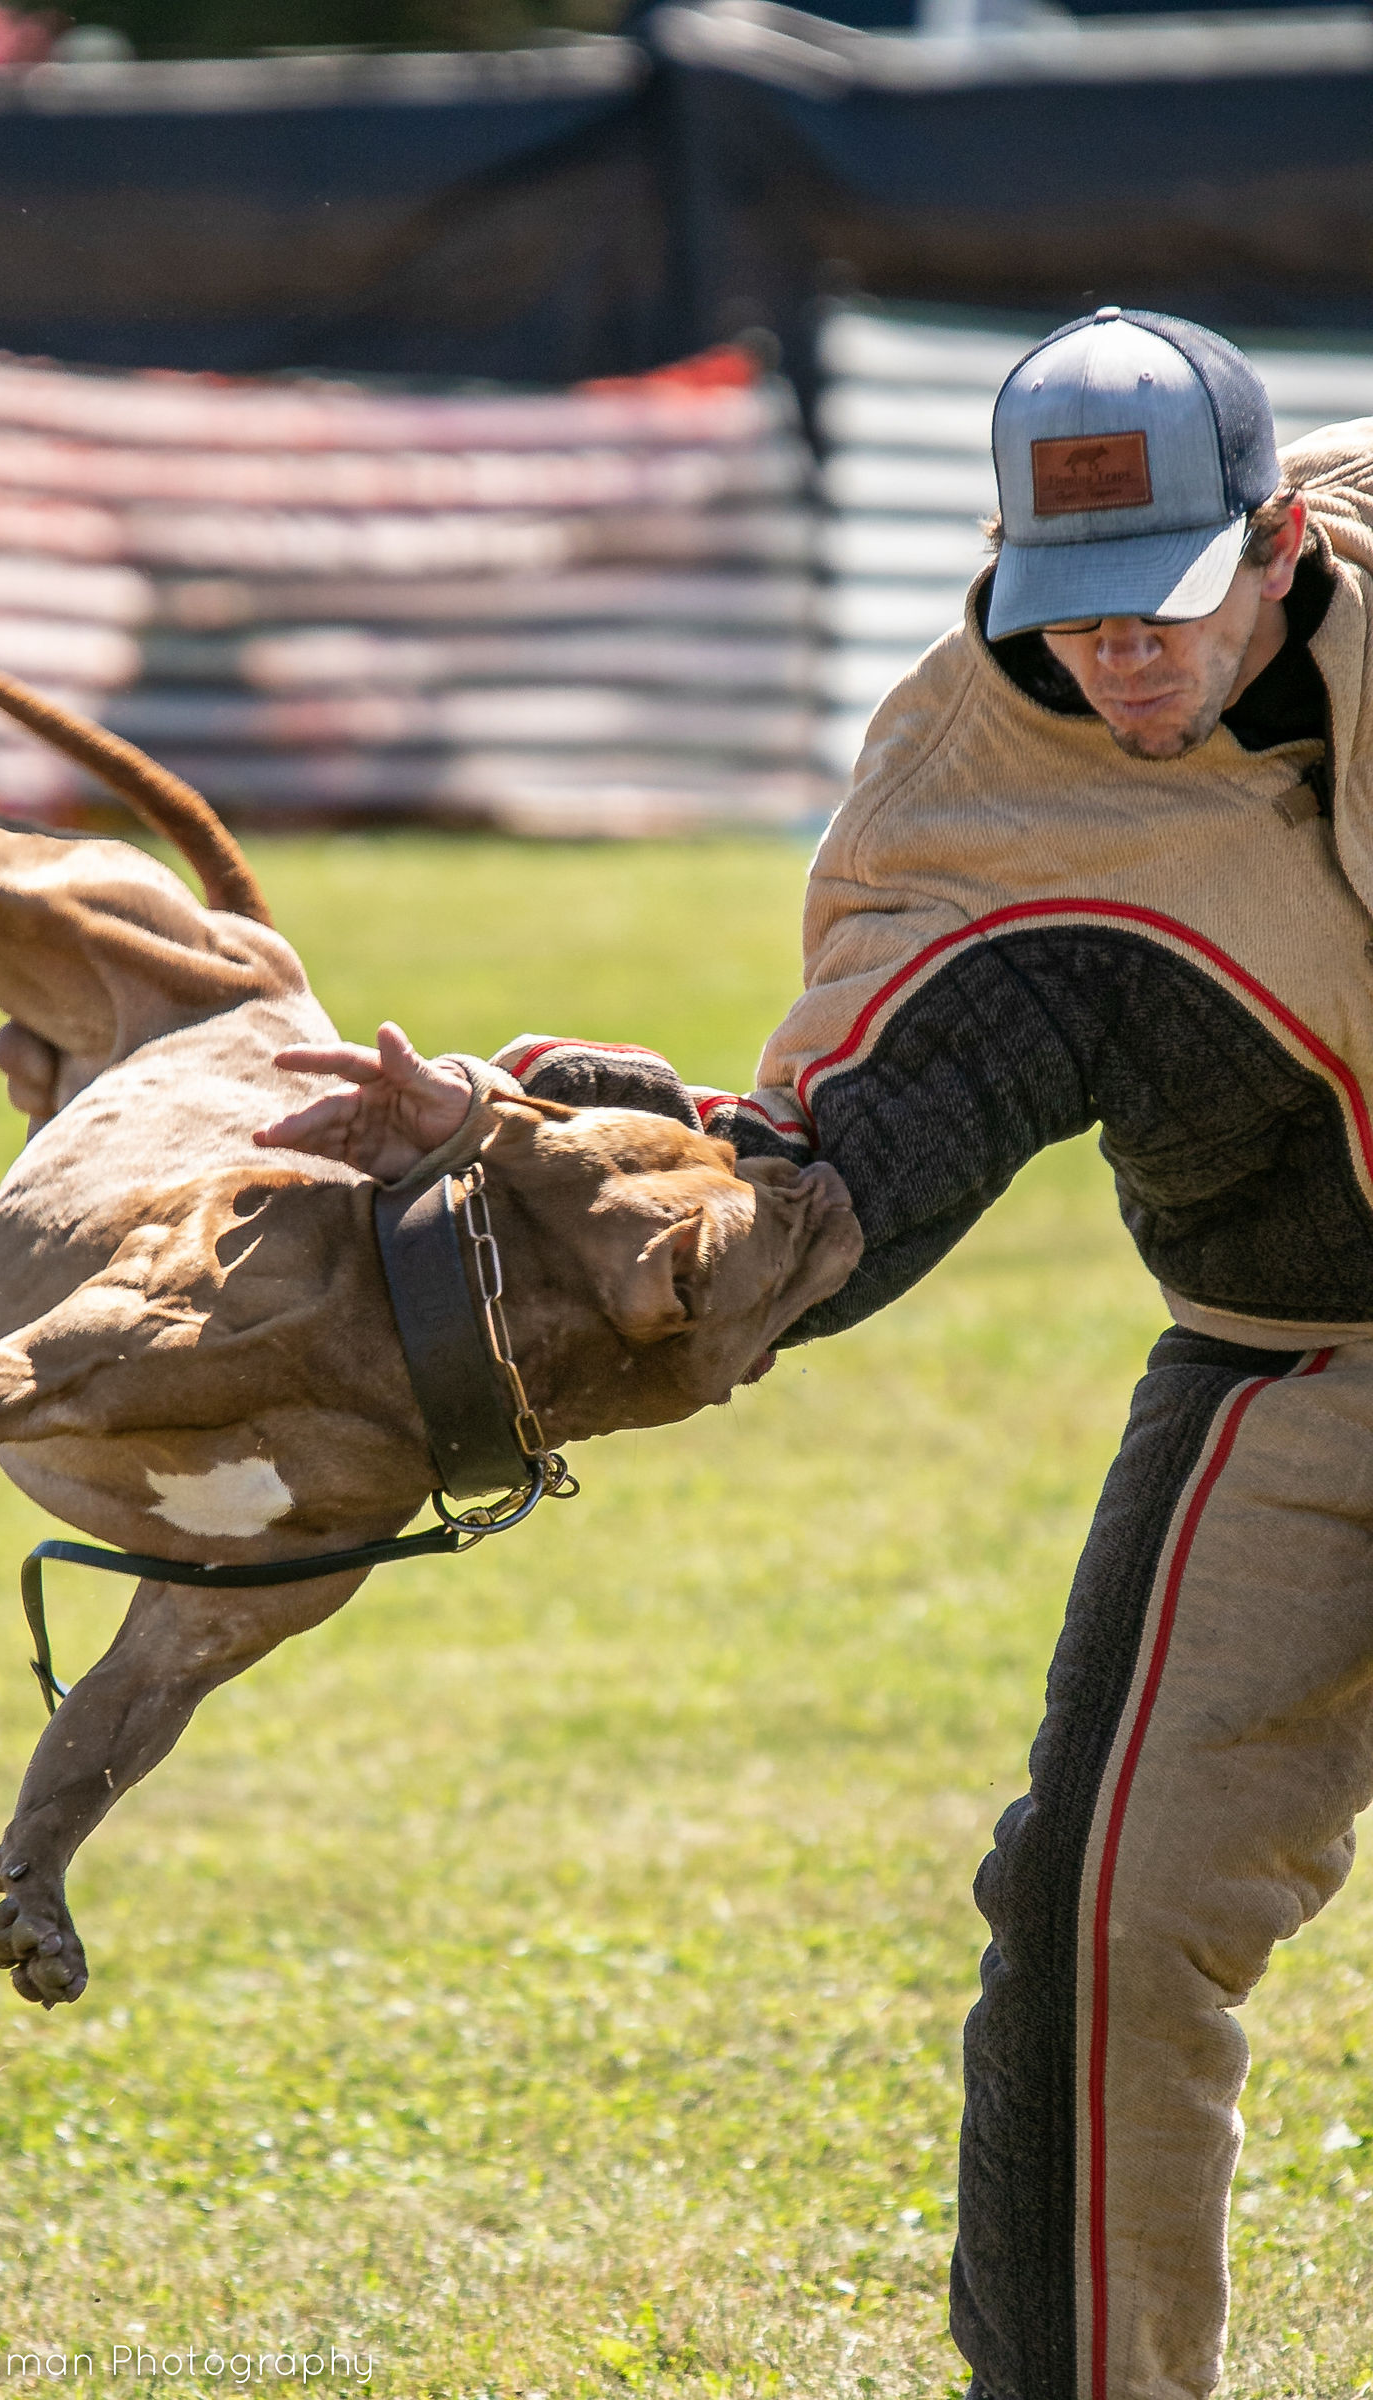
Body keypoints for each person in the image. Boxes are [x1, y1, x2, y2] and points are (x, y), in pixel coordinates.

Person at [252, 308, 1373, 2400]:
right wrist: (562, 1152)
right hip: (1299, 1357)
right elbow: (851, 1158)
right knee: (1100, 1915)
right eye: (1075, 607)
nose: (1120, 654)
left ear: (1284, 538)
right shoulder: (982, 790)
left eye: (1168, 602)